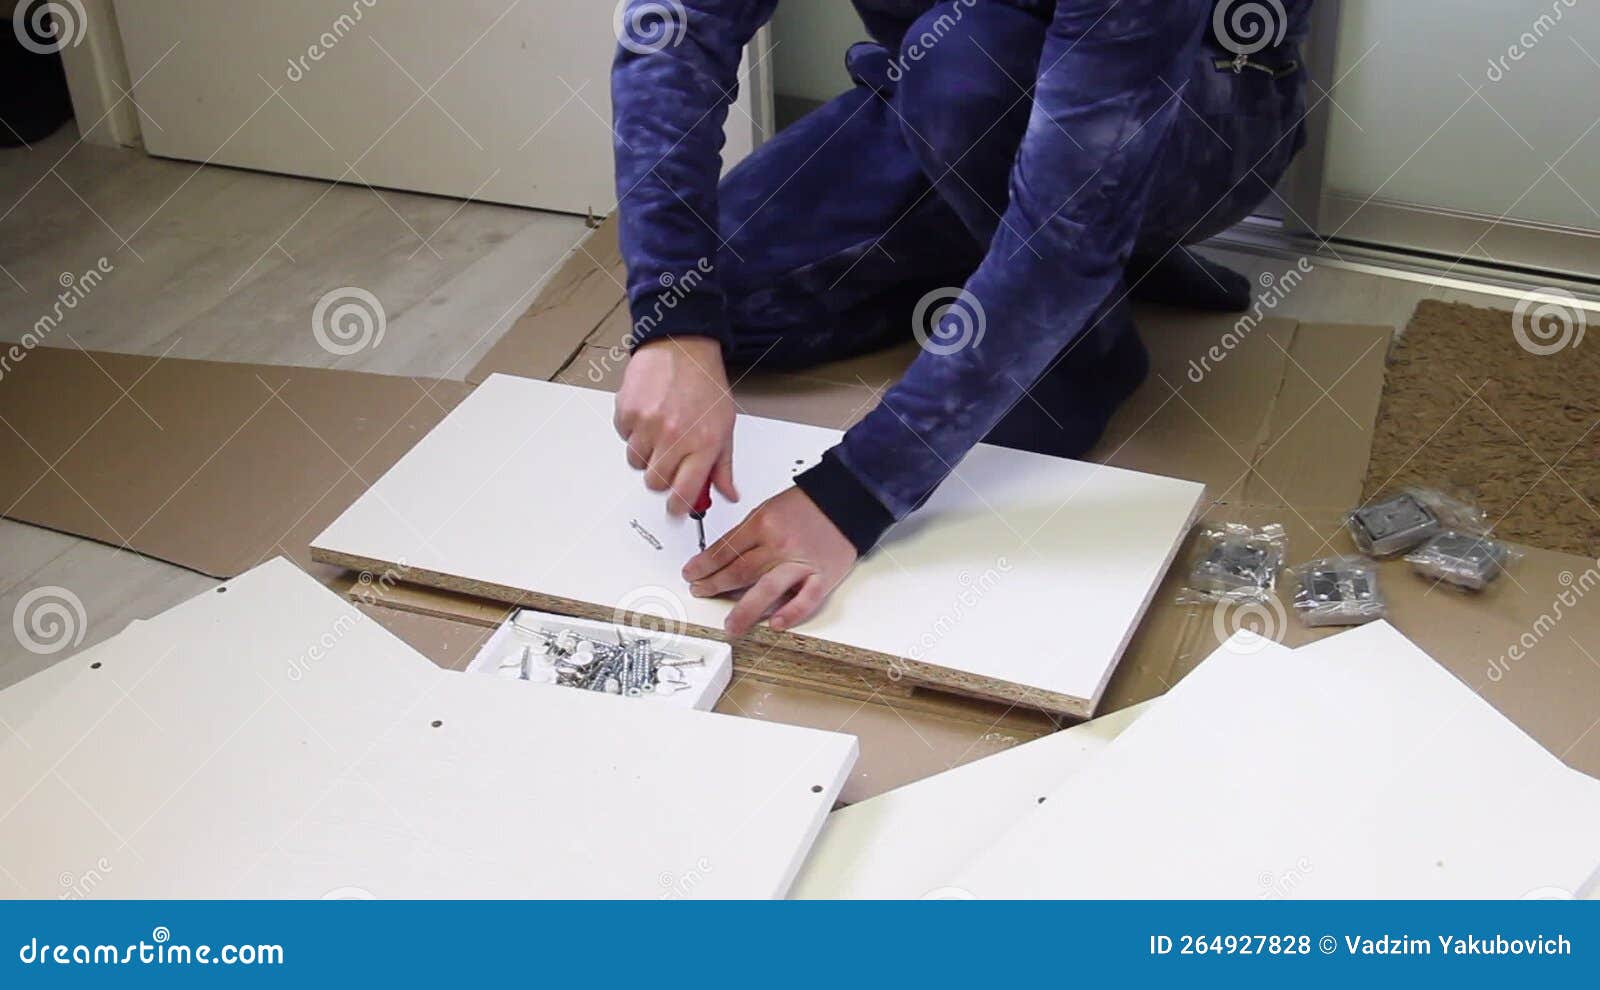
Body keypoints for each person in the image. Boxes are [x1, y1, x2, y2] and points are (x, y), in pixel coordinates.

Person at [609, 0, 1313, 636]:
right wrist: (675, 320)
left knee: (968, 73)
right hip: (940, 93)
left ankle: (1085, 346)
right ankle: (1017, 263)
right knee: (730, 296)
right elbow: (678, 29)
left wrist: (851, 497)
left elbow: (1066, 230)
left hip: (1186, 109)